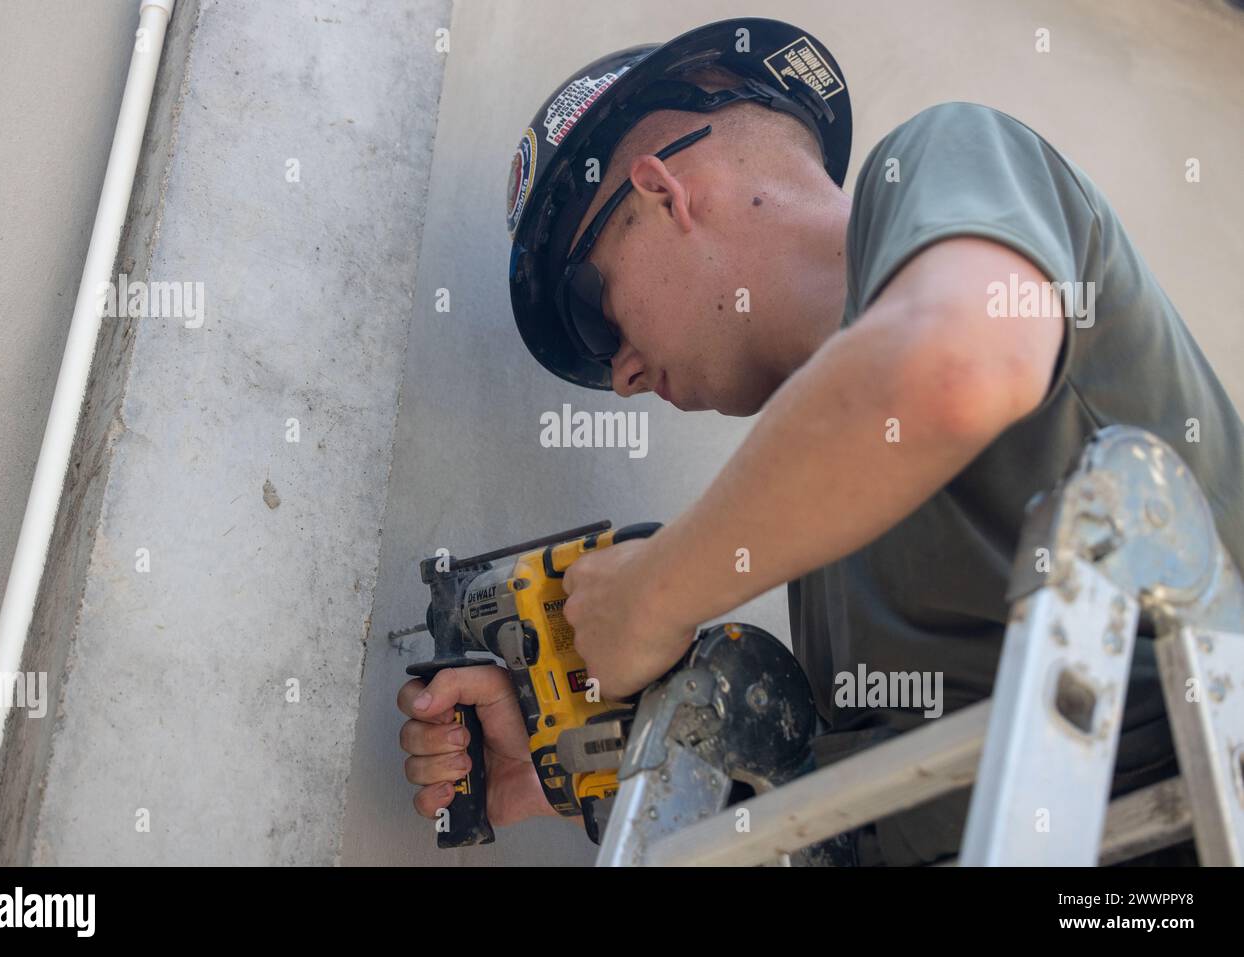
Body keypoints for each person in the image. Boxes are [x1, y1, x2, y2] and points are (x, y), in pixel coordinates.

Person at [397, 17, 1242, 864]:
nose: (618, 374)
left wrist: (655, 591)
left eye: (594, 312)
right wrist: (567, 769)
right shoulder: (821, 537)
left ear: (662, 192)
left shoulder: (947, 153)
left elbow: (956, 368)